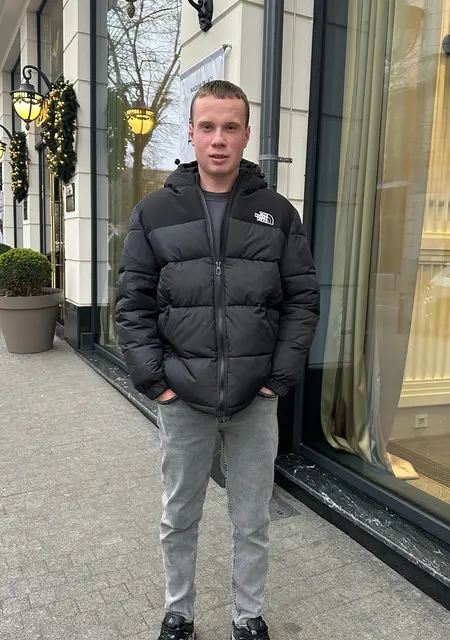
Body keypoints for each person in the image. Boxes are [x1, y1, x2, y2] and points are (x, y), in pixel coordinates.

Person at [116, 80, 320, 640]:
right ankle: (178, 613)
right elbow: (132, 302)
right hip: (182, 397)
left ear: (247, 134)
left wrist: (278, 379)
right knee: (179, 516)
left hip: (255, 398)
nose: (219, 139)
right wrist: (155, 382)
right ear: (191, 133)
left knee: (252, 519)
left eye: (230, 127)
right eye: (207, 126)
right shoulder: (155, 212)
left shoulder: (277, 213)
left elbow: (302, 300)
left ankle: (247, 616)